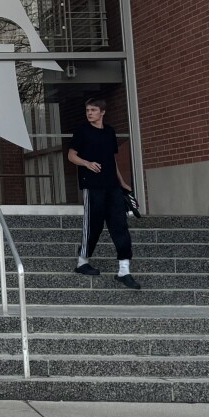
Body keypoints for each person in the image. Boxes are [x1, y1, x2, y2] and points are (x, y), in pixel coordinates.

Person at [68, 95, 139, 289]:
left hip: (112, 186)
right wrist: (86, 163)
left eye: (93, 110)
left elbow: (111, 160)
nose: (89, 113)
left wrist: (122, 182)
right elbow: (71, 156)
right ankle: (82, 262)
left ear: (102, 112)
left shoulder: (109, 132)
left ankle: (124, 270)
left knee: (120, 225)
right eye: (87, 110)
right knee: (93, 224)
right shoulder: (82, 131)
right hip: (92, 185)